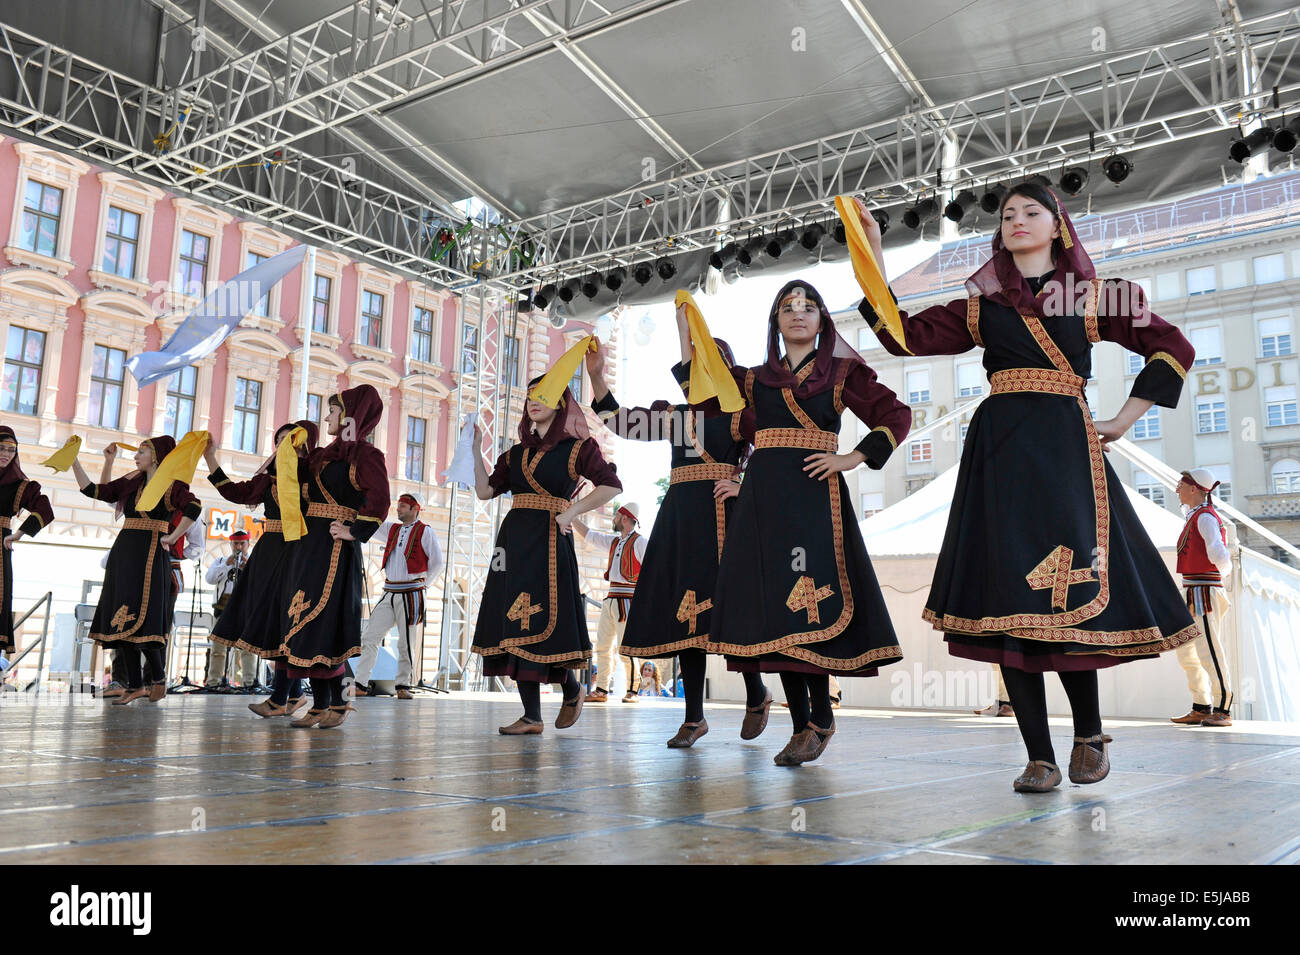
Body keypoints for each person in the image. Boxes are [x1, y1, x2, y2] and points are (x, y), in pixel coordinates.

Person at [854, 184, 1199, 792]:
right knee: (1007, 602)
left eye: (1031, 212)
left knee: (1066, 592)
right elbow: (902, 335)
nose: (1017, 220)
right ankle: (1038, 755)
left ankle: (1089, 732)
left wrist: (1122, 418)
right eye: (1008, 214)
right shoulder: (981, 303)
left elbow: (1172, 345)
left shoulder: (1094, 296)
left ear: (1058, 225)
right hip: (999, 450)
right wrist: (872, 252)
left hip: (1064, 444)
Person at [685, 280, 912, 766]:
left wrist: (853, 457)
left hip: (814, 499)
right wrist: (687, 320)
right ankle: (801, 725)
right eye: (787, 307)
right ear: (775, 322)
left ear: (823, 321)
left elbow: (895, 413)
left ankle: (820, 720)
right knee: (775, 617)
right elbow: (704, 387)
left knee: (806, 605)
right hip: (763, 505)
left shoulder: (843, 372)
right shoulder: (751, 381)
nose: (797, 314)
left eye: (808, 307)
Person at [584, 333, 772, 748]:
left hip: (723, 518)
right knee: (689, 612)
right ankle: (694, 717)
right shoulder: (675, 417)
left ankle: (757, 693)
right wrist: (597, 376)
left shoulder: (741, 415)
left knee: (731, 609)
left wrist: (746, 484)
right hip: (681, 520)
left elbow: (777, 447)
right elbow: (620, 420)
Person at [470, 373, 623, 735]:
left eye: (542, 395)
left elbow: (611, 485)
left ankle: (571, 687)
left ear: (560, 402)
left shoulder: (578, 448)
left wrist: (572, 512)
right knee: (513, 617)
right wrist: (476, 449)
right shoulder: (517, 453)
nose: (532, 402)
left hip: (550, 539)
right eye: (528, 396)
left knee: (541, 616)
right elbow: (484, 491)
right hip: (513, 540)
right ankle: (532, 716)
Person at [265, 392, 389, 728]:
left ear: (351, 415)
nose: (327, 418)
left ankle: (335, 702)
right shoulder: (323, 456)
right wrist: (292, 446)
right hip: (309, 543)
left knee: (319, 623)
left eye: (332, 411)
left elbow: (379, 501)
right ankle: (323, 704)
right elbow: (293, 474)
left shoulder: (367, 456)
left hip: (335, 547)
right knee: (302, 620)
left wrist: (354, 531)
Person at [72, 437, 201, 705]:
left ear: (156, 456)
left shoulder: (172, 486)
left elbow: (194, 507)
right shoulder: (132, 484)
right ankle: (134, 685)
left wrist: (173, 535)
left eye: (141, 452)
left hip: (151, 554)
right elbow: (97, 491)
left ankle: (158, 678)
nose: (136, 456)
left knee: (146, 620)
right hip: (124, 553)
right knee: (121, 618)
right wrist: (73, 460)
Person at [204, 421, 318, 717]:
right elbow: (236, 493)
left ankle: (283, 697)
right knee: (275, 619)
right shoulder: (269, 480)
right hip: (269, 550)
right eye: (278, 440)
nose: (281, 445)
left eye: (288, 440)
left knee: (288, 620)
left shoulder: (312, 476)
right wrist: (210, 457)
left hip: (299, 549)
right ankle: (290, 697)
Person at [353, 491, 444, 699]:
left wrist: (423, 586)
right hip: (389, 590)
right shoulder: (392, 529)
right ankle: (360, 683)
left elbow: (438, 563)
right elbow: (372, 525)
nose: (398, 508)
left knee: (406, 642)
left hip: (411, 592)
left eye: (403, 505)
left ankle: (403, 685)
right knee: (370, 636)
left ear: (415, 509)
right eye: (399, 505)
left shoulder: (425, 531)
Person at [1170, 468, 1234, 728]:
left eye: (1181, 485)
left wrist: (1217, 582)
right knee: (1187, 649)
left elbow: (1220, 553)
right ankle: (1201, 705)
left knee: (1209, 648)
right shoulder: (1195, 515)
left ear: (1194, 488)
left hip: (1204, 590)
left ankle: (1223, 707)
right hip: (1194, 588)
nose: (1177, 489)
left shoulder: (1205, 517)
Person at [573, 502, 647, 703]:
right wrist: (572, 516)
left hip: (628, 600)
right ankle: (602, 689)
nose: (613, 519)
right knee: (603, 647)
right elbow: (590, 535)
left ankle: (633, 691)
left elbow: (651, 571)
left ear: (624, 518)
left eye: (616, 516)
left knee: (626, 648)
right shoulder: (615, 542)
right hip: (611, 599)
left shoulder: (640, 542)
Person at [0, 426, 55, 655]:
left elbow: (44, 508)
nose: (6, 453)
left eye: (12, 450)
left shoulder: (20, 486)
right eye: (1, 448)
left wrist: (19, 532)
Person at [203, 531, 258, 690]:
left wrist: (249, 568)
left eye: (242, 544)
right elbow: (210, 579)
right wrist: (227, 564)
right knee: (218, 649)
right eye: (236, 544)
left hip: (245, 610)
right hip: (223, 609)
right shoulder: (221, 561)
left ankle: (249, 683)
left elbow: (260, 584)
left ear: (248, 545)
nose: (239, 547)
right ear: (231, 544)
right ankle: (214, 682)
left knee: (247, 648)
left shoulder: (253, 563)